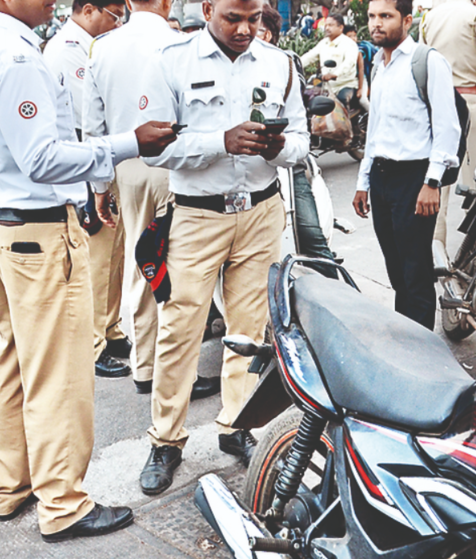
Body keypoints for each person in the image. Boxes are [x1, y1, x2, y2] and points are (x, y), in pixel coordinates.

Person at [0, 0, 176, 542]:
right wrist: (129, 143)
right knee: (58, 374)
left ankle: (12, 486)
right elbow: (43, 159)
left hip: (3, 228)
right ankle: (63, 504)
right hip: (39, 232)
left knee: (15, 362)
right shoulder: (15, 56)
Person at [135, 0, 309, 493]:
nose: (245, 29)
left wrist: (279, 148)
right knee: (180, 328)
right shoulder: (171, 61)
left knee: (250, 329)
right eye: (233, 17)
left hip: (260, 210)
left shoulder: (280, 64)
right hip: (195, 215)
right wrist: (221, 141)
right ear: (208, 8)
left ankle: (237, 426)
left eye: (253, 18)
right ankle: (165, 441)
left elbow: (302, 139)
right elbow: (155, 150)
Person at [84, 0, 224, 402]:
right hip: (174, 166)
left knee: (137, 263)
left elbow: (93, 128)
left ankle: (144, 367)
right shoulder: (181, 44)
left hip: (125, 166)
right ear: (166, 3)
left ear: (127, 3)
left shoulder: (102, 49)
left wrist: (99, 189)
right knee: (177, 269)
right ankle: (179, 371)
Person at [353, 0, 462, 330]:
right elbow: (375, 130)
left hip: (414, 178)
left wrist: (432, 183)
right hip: (382, 178)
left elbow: (447, 128)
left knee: (415, 273)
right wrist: (363, 180)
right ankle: (406, 341)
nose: (376, 23)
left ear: (408, 20)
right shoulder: (379, 66)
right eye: (372, 16)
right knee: (397, 271)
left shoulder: (427, 62)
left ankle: (422, 357)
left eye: (386, 16)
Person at [42, 0, 132, 381]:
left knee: (114, 255)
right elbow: (89, 113)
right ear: (90, 10)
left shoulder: (91, 45)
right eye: (113, 16)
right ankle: (93, 344)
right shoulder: (67, 50)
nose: (116, 24)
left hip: (101, 157)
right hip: (83, 159)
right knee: (96, 260)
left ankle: (110, 329)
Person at [419, 0, 476, 246]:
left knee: (436, 181)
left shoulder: (429, 17)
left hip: (436, 104)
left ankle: (435, 246)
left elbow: (421, 58)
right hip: (468, 101)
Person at [260, 5, 340, 276]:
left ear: (268, 35)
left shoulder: (284, 63)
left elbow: (301, 105)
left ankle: (337, 296)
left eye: (253, 25)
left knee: (309, 236)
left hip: (287, 167)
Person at [301, 13, 360, 102]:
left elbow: (349, 63)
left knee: (342, 100)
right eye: (326, 25)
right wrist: (294, 64)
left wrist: (335, 74)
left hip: (344, 85)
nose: (327, 28)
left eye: (331, 25)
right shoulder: (324, 43)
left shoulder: (349, 44)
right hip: (327, 85)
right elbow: (310, 56)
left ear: (341, 27)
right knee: (307, 96)